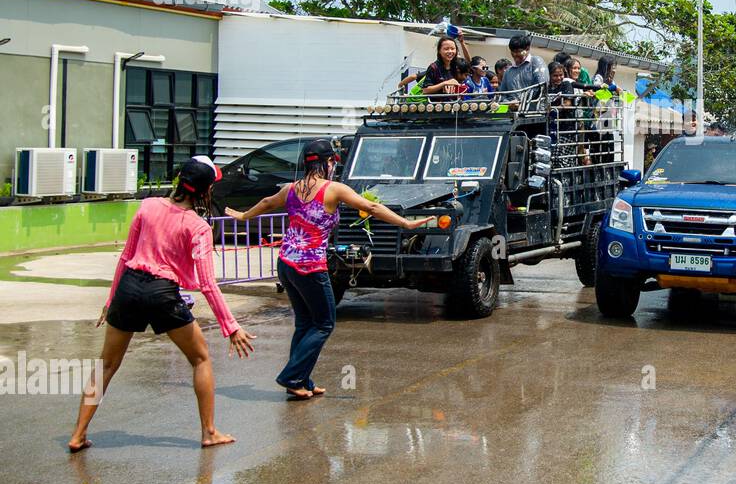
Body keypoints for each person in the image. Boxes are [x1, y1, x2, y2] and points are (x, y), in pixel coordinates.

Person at [68, 156, 255, 452]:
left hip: (129, 286)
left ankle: (78, 434)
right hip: (162, 293)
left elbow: (126, 256)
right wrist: (230, 326)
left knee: (106, 364)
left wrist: (110, 301)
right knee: (200, 359)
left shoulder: (148, 206)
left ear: (180, 180)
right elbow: (207, 283)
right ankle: (209, 432)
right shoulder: (198, 227)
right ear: (206, 192)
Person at [226, 140, 436, 398]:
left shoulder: (291, 188)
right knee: (324, 324)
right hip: (310, 267)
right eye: (333, 162)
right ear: (328, 162)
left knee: (305, 323)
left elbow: (268, 202)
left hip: (286, 264)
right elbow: (370, 207)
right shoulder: (333, 189)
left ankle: (300, 381)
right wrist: (405, 223)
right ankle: (291, 375)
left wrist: (243, 216)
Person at [399, 33, 469, 95]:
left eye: (453, 48)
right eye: (446, 49)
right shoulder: (434, 67)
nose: (450, 51)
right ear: (439, 51)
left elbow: (469, 62)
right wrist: (445, 83)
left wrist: (462, 42)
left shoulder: (455, 65)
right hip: (432, 106)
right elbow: (425, 90)